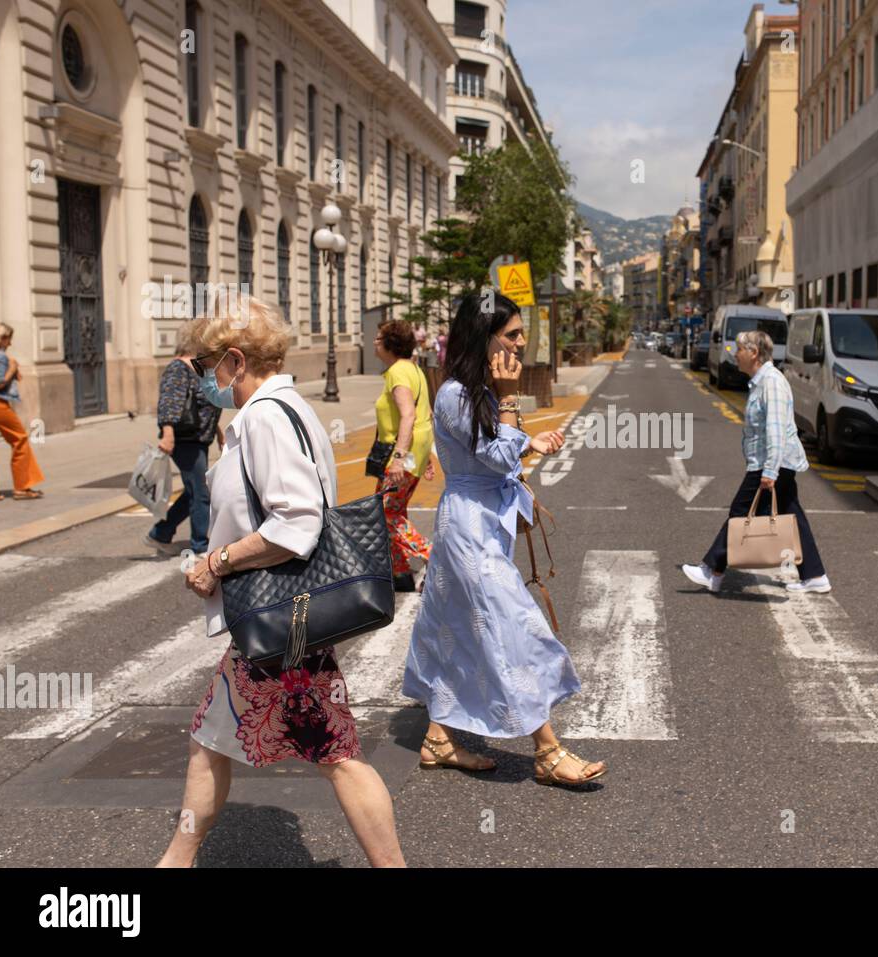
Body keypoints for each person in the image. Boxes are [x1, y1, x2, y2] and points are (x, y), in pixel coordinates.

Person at [158, 296, 405, 867]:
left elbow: (296, 521)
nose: (202, 380)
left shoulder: (266, 417)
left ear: (236, 361)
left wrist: (217, 562)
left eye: (205, 366)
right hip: (284, 618)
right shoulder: (281, 410)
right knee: (213, 740)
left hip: (282, 620)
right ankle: (178, 858)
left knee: (337, 754)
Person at [401, 292, 606, 788]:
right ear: (484, 335)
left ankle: (438, 740)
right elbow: (494, 459)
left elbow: (501, 453)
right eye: (512, 333)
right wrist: (511, 398)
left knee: (461, 631)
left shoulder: (480, 390)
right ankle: (548, 751)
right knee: (513, 628)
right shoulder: (453, 394)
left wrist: (528, 439)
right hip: (468, 528)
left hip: (485, 522)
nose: (521, 341)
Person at [683, 329, 829, 594]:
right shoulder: (762, 381)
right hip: (775, 462)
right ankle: (815, 575)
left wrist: (770, 470)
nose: (734, 353)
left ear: (753, 353)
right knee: (791, 514)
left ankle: (711, 570)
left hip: (771, 462)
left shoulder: (771, 382)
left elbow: (775, 429)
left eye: (739, 349)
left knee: (740, 513)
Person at [144, 325, 224, 556]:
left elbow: (203, 406)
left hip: (198, 439)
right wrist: (167, 434)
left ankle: (160, 533)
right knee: (201, 491)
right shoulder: (178, 368)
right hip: (183, 439)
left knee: (193, 491)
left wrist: (218, 432)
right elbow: (169, 402)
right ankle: (200, 545)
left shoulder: (197, 368)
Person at [372, 318, 435, 592]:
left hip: (402, 453)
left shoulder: (398, 371)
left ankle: (433, 555)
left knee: (385, 513)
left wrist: (399, 458)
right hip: (414, 451)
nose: (374, 341)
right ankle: (400, 574)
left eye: (378, 337)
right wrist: (426, 457)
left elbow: (409, 415)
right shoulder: (413, 369)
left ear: (390, 344)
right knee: (393, 510)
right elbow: (425, 413)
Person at [0, 322, 44, 501]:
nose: (10, 344)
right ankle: (22, 487)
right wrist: (11, 369)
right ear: (3, 338)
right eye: (9, 339)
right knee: (19, 439)